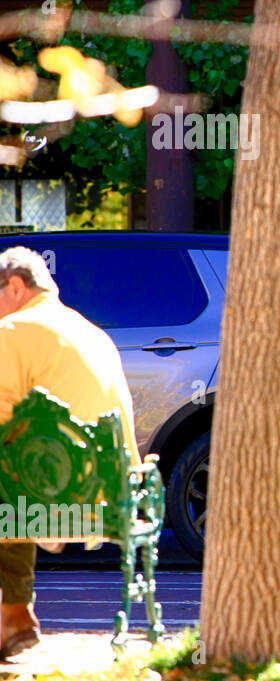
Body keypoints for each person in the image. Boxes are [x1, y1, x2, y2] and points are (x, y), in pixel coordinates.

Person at [0, 247, 140, 659]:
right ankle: (16, 617)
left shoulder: (14, 330)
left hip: (55, 502)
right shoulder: (89, 330)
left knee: (8, 487)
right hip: (110, 498)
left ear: (15, 286)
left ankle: (15, 614)